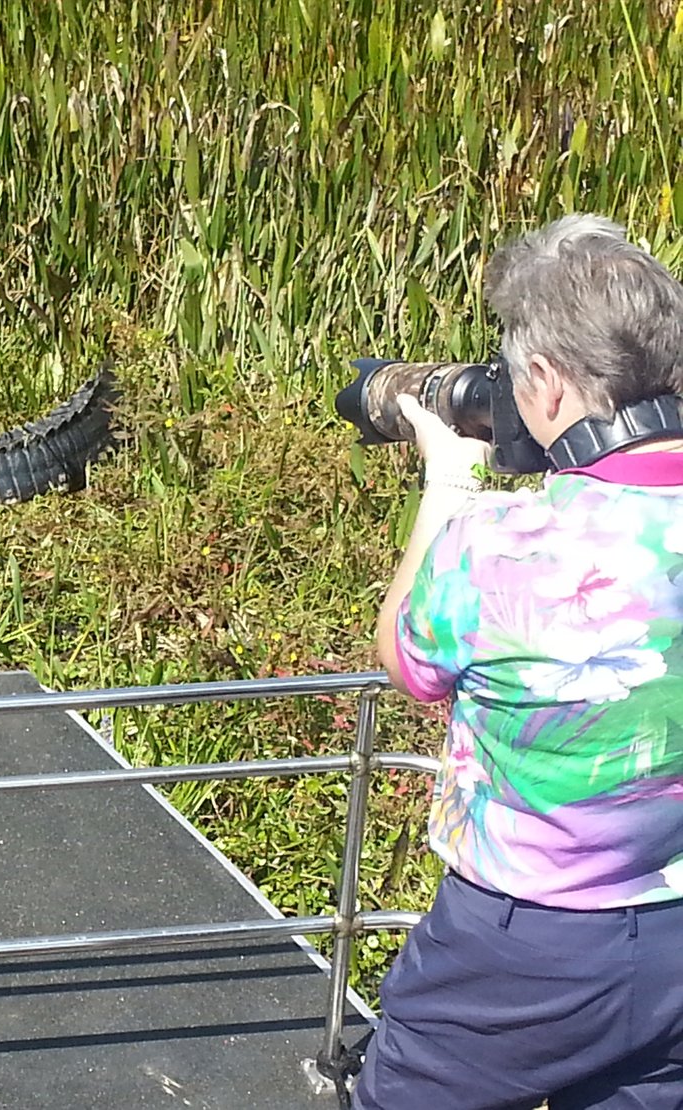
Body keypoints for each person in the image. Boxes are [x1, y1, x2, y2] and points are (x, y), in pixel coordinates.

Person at [356, 213, 683, 1110]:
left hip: (522, 941)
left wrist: (448, 487)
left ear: (540, 380)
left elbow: (407, 664)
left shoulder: (496, 546)